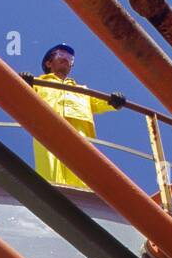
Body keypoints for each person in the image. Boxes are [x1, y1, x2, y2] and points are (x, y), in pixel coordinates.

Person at [20, 43, 125, 188]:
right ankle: (51, 197)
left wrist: (114, 101)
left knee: (82, 169)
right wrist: (24, 83)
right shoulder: (39, 83)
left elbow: (100, 102)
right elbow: (21, 95)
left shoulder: (81, 90)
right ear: (49, 63)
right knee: (50, 168)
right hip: (47, 126)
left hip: (79, 129)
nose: (66, 59)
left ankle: (83, 202)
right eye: (61, 55)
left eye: (69, 58)